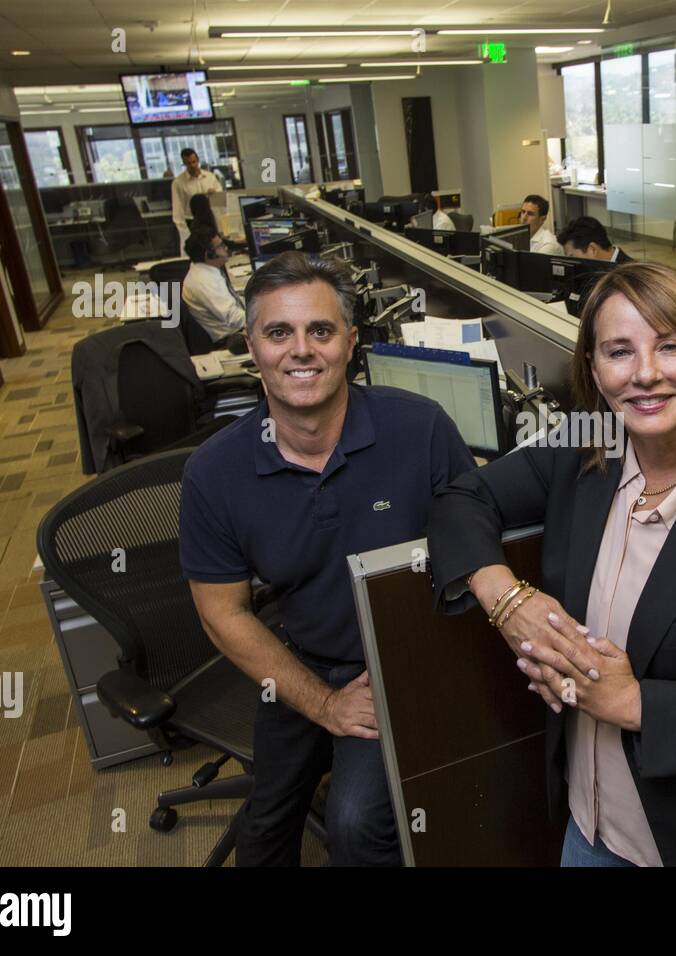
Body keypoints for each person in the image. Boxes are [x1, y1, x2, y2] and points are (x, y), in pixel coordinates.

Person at [428, 261, 676, 866]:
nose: (646, 374)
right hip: (591, 823)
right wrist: (509, 601)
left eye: (670, 346)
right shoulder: (583, 452)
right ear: (592, 369)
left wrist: (634, 703)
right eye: (619, 351)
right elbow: (463, 497)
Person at [179, 252, 475, 866]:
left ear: (351, 342)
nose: (301, 350)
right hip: (302, 654)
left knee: (354, 825)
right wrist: (322, 704)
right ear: (251, 345)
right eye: (278, 332)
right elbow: (221, 614)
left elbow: (477, 548)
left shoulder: (420, 430)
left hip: (400, 660)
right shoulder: (215, 471)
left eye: (321, 330)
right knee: (262, 835)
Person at [181, 228, 247, 349]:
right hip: (233, 339)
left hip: (235, 330)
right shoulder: (204, 281)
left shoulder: (204, 270)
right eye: (221, 246)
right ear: (208, 254)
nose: (226, 248)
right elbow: (234, 318)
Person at [171, 148, 222, 255]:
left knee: (215, 251)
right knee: (199, 254)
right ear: (184, 163)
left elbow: (221, 197)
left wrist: (215, 192)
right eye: (189, 163)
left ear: (198, 160)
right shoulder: (178, 183)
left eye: (194, 162)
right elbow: (178, 210)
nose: (193, 165)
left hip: (211, 220)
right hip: (193, 222)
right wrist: (185, 233)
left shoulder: (210, 177)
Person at [557, 216, 632, 263]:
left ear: (592, 250)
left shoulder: (631, 274)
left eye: (572, 257)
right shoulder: (599, 268)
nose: (571, 264)